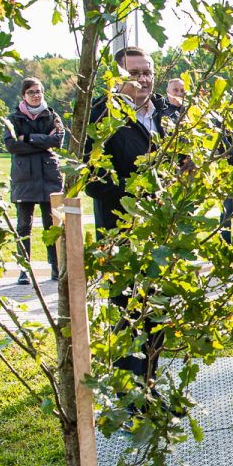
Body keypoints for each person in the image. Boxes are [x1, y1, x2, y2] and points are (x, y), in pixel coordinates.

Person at [84, 47, 181, 390]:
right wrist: (140, 187)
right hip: (121, 234)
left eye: (148, 72)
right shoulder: (100, 115)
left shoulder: (167, 111)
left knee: (158, 314)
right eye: (135, 73)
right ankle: (128, 397)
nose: (143, 79)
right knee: (127, 315)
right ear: (117, 78)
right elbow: (92, 181)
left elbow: (184, 157)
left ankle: (150, 388)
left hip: (162, 232)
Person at [3, 77, 64, 285]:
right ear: (24, 95)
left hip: (49, 177)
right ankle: (24, 270)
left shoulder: (52, 116)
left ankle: (56, 268)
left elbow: (58, 140)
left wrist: (28, 139)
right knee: (23, 227)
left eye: (39, 91)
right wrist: (42, 141)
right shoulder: (13, 118)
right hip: (25, 178)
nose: (36, 95)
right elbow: (11, 145)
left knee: (51, 226)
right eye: (31, 92)